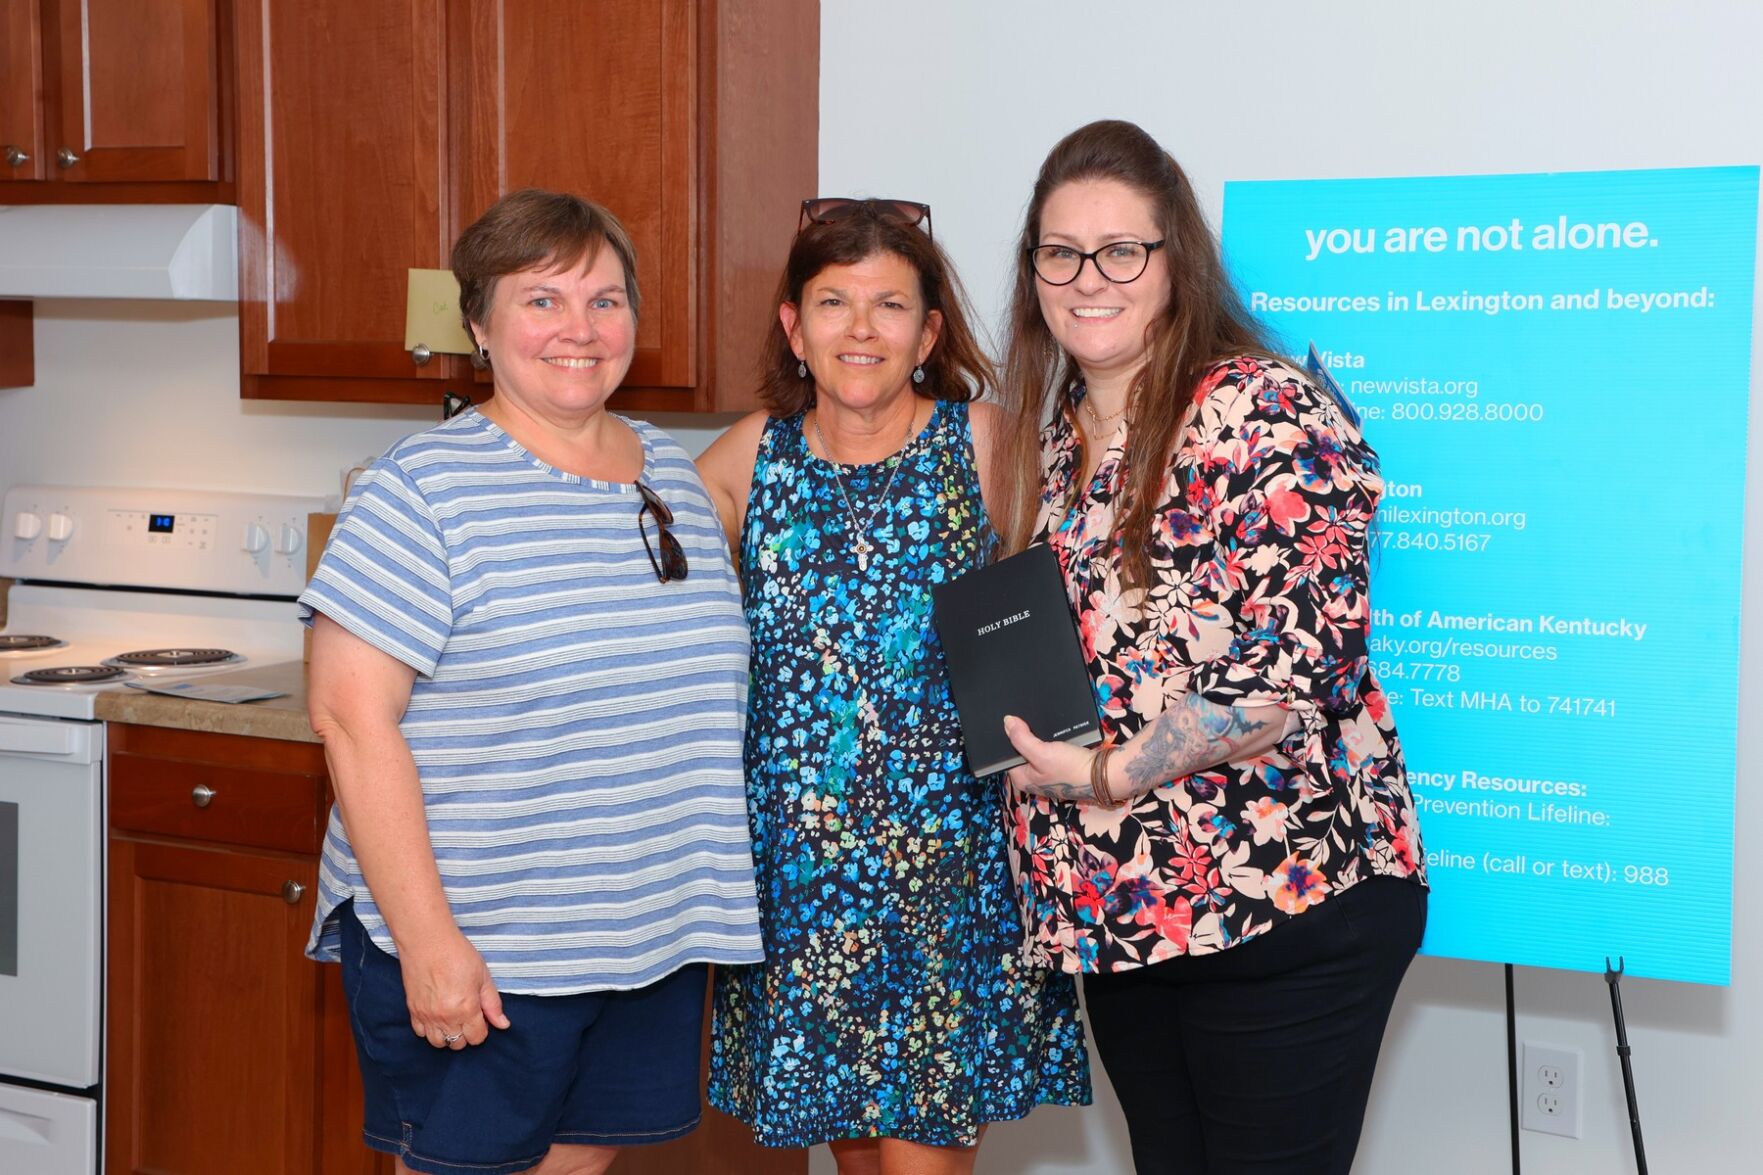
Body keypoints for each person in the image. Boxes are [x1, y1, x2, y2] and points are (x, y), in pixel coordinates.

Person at [993, 120, 1429, 1175]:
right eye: (1059, 251)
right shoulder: (1048, 442)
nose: (1086, 278)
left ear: (1174, 260)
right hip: (1127, 912)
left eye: (1119, 251)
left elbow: (1288, 674)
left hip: (1283, 903)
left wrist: (1101, 770)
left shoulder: (1260, 411)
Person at [299, 188, 763, 1175]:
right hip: (484, 941)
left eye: (603, 299)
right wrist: (429, 943)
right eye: (541, 300)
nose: (579, 329)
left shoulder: (670, 477)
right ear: (479, 322)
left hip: (645, 937)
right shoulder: (419, 488)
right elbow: (349, 718)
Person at [698, 197, 1090, 1175]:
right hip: (801, 882)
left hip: (949, 877)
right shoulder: (749, 457)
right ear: (793, 326)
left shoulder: (987, 445)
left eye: (889, 304)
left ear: (929, 332)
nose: (860, 329)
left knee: (920, 1163)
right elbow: (640, 594)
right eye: (832, 302)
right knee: (855, 1159)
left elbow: (1089, 605)